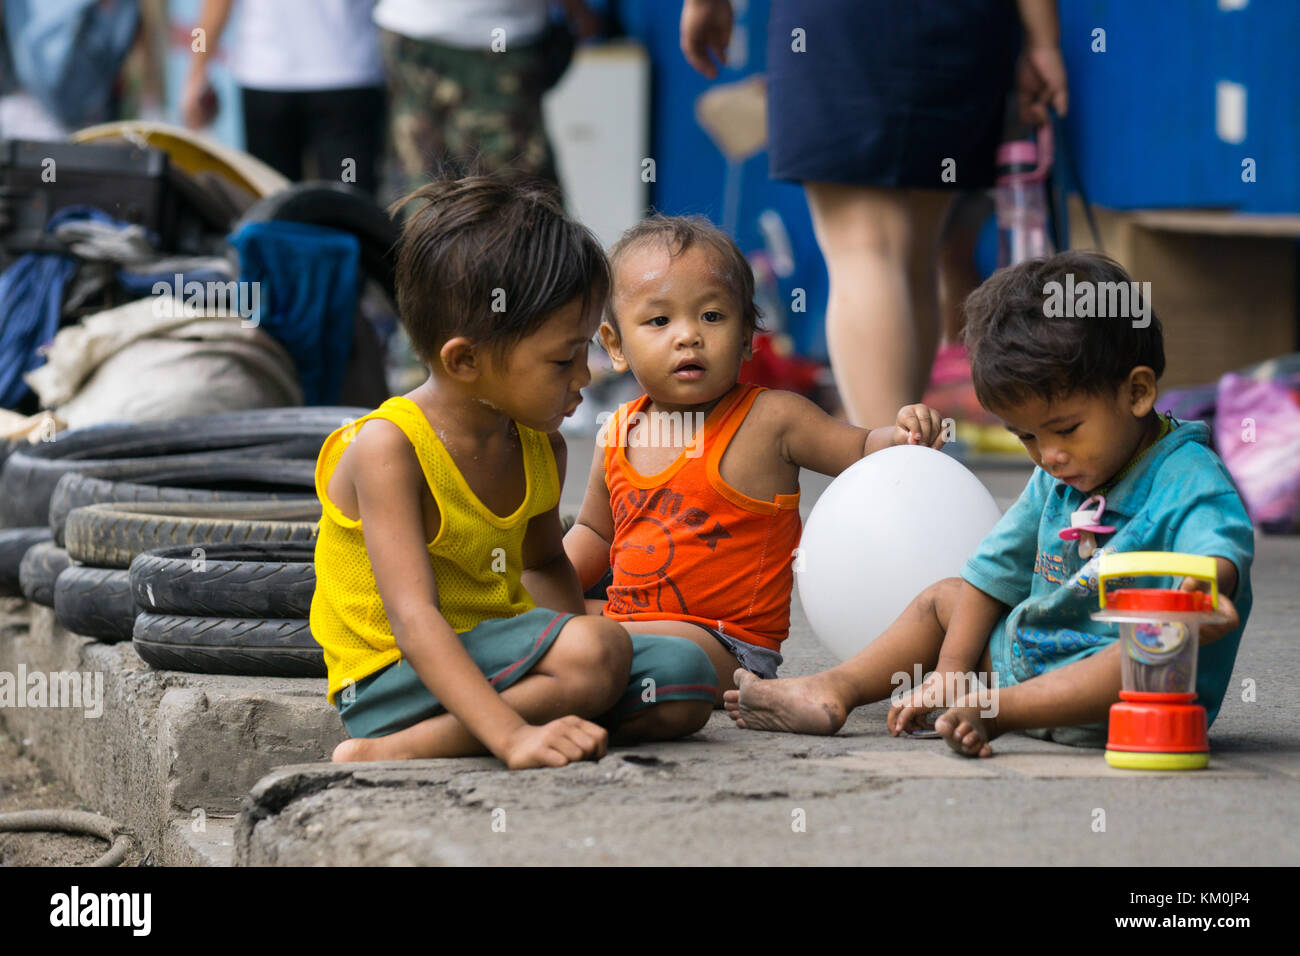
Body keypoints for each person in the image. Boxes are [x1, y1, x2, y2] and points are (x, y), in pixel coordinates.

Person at [723, 251, 1255, 757]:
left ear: (1137, 393)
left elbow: (1220, 542)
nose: (1049, 456)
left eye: (1066, 429)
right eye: (1027, 438)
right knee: (946, 597)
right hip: (1033, 659)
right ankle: (833, 689)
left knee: (1151, 642)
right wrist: (952, 667)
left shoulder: (1187, 476)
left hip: (1131, 690)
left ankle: (997, 710)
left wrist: (1209, 584)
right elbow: (991, 571)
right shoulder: (1060, 473)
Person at [313, 176, 717, 769]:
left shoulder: (538, 446)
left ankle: (548, 704)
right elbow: (412, 617)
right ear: (466, 359)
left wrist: (582, 657)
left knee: (687, 679)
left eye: (585, 351)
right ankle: (391, 749)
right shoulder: (390, 447)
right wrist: (513, 734)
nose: (584, 376)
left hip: (502, 657)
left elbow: (545, 564)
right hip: (392, 677)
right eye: (562, 359)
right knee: (596, 649)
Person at [563, 215, 946, 703]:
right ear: (615, 345)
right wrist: (544, 591)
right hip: (622, 622)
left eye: (712, 316)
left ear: (747, 335)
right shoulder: (618, 431)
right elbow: (595, 533)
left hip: (724, 645)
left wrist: (903, 433)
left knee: (591, 645)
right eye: (660, 321)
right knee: (552, 621)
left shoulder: (772, 419)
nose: (688, 336)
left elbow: (861, 450)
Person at [680, 0, 1069, 428]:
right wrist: (1042, 42)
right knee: (913, 259)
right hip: (960, 26)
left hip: (840, 22)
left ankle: (886, 469)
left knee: (863, 252)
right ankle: (906, 452)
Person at [374, 0, 599, 199]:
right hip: (493, 37)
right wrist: (579, 13)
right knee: (521, 196)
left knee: (427, 184)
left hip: (412, 29)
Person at [182, 0, 387, 195]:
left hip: (271, 81)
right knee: (350, 197)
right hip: (346, 78)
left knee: (275, 205)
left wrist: (197, 69)